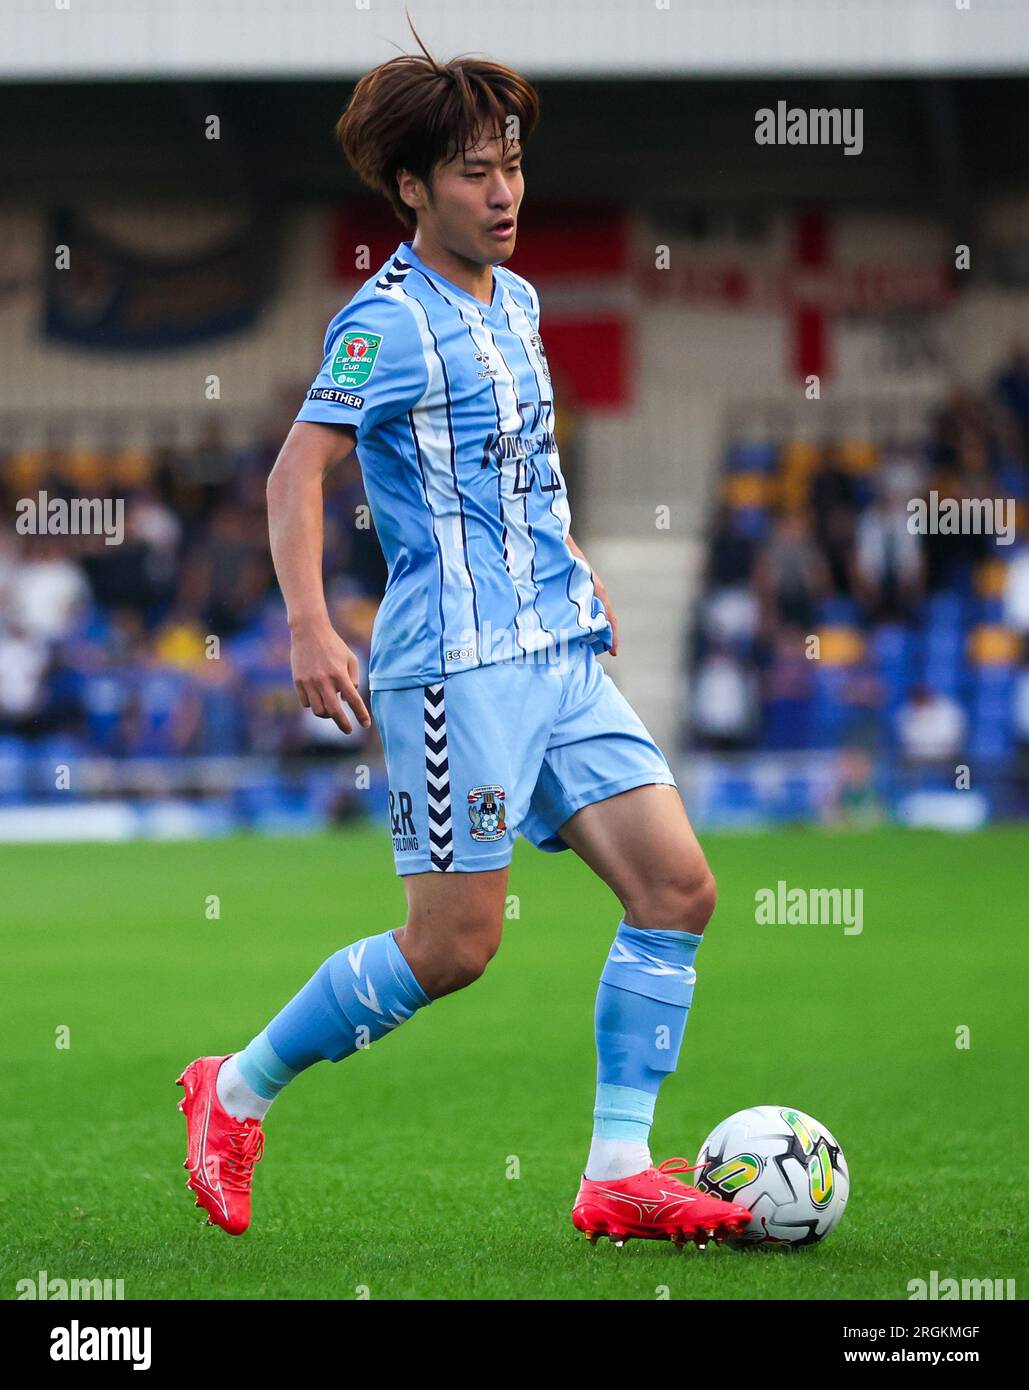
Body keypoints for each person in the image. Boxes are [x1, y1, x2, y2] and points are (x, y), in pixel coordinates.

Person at [177, 30, 749, 1251]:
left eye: (514, 166)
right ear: (412, 189)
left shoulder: (523, 299)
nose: (504, 194)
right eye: (476, 172)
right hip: (453, 671)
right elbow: (294, 473)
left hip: (560, 650)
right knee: (455, 947)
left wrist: (570, 553)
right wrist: (310, 625)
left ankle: (617, 1171)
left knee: (677, 887)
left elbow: (518, 466)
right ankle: (231, 1090)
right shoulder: (384, 324)